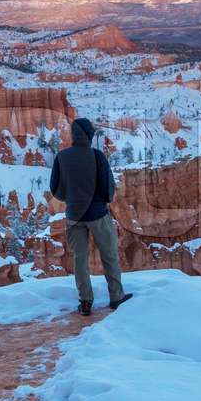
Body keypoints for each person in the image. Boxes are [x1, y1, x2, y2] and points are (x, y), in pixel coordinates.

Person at [48, 117, 130, 316]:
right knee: (109, 254)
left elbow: (55, 189)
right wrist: (100, 202)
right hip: (98, 214)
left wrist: (72, 199)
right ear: (89, 135)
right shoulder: (97, 156)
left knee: (80, 259)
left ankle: (85, 301)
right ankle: (116, 297)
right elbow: (108, 188)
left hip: (74, 215)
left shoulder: (62, 157)